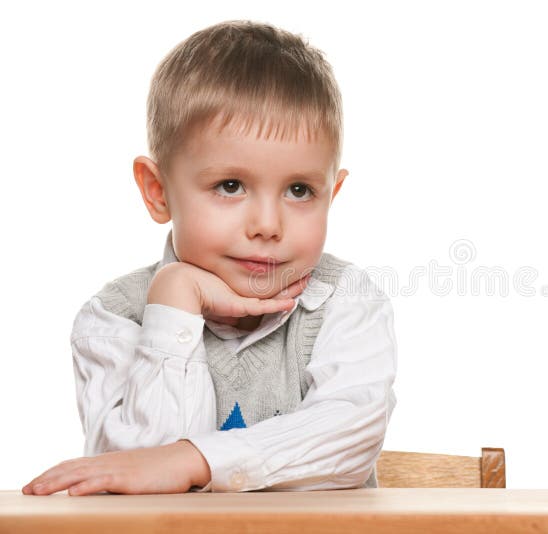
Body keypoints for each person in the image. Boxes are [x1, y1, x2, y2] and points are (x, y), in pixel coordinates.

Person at [21, 19, 397, 496]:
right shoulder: (114, 319)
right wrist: (174, 303)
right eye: (230, 186)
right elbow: (134, 483)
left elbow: (349, 434)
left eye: (300, 190)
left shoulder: (345, 301)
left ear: (332, 194)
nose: (268, 224)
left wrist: (194, 459)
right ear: (158, 192)